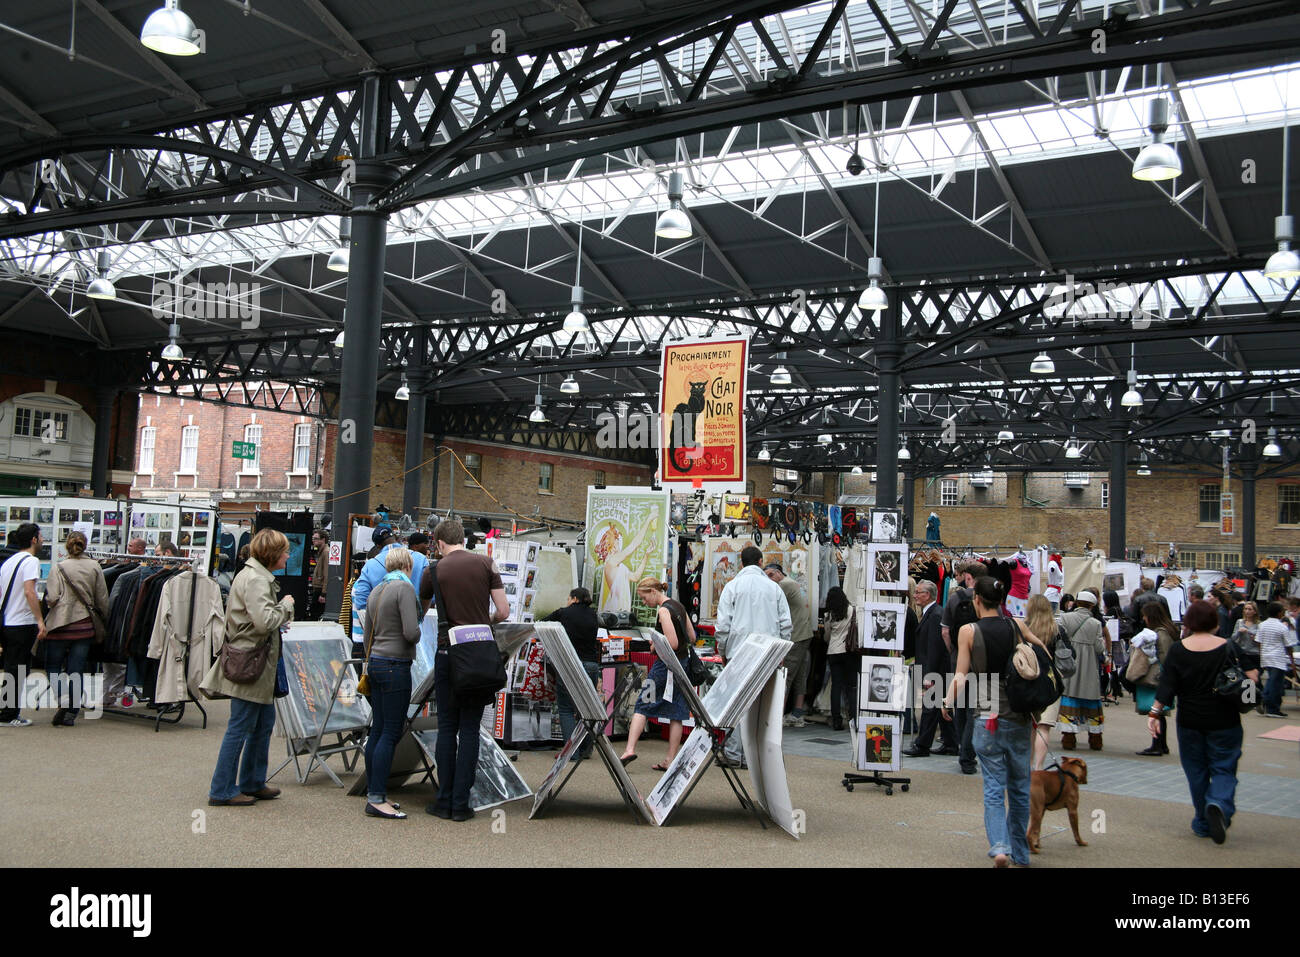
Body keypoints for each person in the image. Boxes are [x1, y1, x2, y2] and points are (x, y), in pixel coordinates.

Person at [942, 577, 1046, 868]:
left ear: (977, 600)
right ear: (1001, 601)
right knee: (1020, 785)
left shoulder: (968, 631)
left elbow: (961, 674)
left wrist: (947, 701)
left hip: (986, 711)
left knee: (992, 786)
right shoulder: (1015, 625)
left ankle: (999, 846)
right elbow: (1040, 646)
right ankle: (1021, 853)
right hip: (1018, 714)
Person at [1149, 600, 1259, 844]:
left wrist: (1154, 713)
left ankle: (1202, 821)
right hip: (1225, 720)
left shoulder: (1178, 649)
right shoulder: (1229, 647)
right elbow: (1252, 675)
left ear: (1188, 622)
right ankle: (1218, 803)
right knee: (1224, 767)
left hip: (1189, 720)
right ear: (1215, 622)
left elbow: (1167, 685)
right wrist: (1248, 699)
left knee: (1196, 772)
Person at [200, 529, 295, 806]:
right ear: (273, 554)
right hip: (251, 661)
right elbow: (265, 622)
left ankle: (253, 781)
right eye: (285, 551)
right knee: (240, 727)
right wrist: (286, 607)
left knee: (262, 724)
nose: (289, 556)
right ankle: (222, 789)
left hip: (254, 660)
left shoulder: (252, 576)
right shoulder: (256, 579)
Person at [424, 520, 509, 822]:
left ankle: (443, 799)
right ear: (463, 538)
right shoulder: (487, 564)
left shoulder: (433, 570)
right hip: (478, 655)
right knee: (471, 728)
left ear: (438, 542)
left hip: (448, 653)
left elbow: (421, 613)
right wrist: (482, 623)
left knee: (447, 727)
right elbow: (503, 611)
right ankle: (462, 803)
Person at [713, 545, 791, 767]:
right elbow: (786, 624)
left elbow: (723, 626)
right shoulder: (774, 588)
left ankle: (734, 753)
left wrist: (723, 651)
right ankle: (758, 757)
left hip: (740, 652)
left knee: (737, 704)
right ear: (760, 562)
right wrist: (781, 652)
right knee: (763, 707)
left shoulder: (732, 587)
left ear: (741, 564)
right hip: (768, 653)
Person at [360, 547, 421, 820]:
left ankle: (374, 790)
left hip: (375, 663)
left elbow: (366, 637)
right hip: (397, 664)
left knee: (378, 729)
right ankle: (376, 798)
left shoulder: (376, 591)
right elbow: (410, 632)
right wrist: (421, 630)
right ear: (408, 566)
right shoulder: (404, 589)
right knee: (390, 732)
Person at [619, 577, 695, 770]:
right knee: (677, 712)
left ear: (654, 591)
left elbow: (672, 643)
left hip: (664, 666)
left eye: (645, 598)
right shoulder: (679, 606)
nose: (645, 603)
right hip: (683, 664)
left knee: (642, 703)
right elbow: (692, 637)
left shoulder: (663, 610)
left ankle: (629, 749)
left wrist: (654, 646)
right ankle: (670, 759)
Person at [42, 530, 109, 727]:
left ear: (67, 545)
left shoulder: (59, 567)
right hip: (84, 625)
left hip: (60, 625)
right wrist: (104, 619)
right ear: (85, 545)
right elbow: (102, 598)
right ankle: (72, 711)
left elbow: (52, 597)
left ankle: (62, 699)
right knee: (76, 669)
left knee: (53, 666)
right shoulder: (95, 566)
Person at [354, 526, 429, 659]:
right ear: (396, 537)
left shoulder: (371, 564)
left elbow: (361, 601)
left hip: (382, 643)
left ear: (377, 545)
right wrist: (418, 618)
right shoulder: (420, 559)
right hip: (416, 639)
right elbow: (430, 596)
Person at [545, 587, 601, 759]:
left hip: (570, 663)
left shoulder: (563, 613)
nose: (567, 601)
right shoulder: (593, 614)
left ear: (574, 598)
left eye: (568, 598)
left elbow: (542, 623)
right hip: (591, 665)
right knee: (585, 708)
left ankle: (571, 752)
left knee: (566, 708)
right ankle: (585, 749)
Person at [940, 561, 985, 774]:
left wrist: (953, 652)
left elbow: (945, 632)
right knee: (973, 710)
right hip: (980, 660)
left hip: (958, 658)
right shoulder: (987, 599)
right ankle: (967, 756)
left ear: (967, 576)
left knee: (960, 706)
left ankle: (962, 750)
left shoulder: (954, 598)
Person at [904, 580, 957, 757]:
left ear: (927, 595)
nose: (915, 595)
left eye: (918, 592)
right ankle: (951, 743)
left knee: (930, 708)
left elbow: (935, 647)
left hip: (935, 670)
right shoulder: (933, 613)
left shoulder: (934, 615)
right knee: (939, 707)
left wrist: (929, 674)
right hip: (934, 669)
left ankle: (922, 745)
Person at [0, 523, 45, 727]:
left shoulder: (10, 562)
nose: (43, 540)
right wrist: (39, 619)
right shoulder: (31, 561)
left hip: (8, 621)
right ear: (34, 539)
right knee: (18, 669)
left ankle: (7, 710)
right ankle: (9, 714)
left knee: (11, 668)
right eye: (41, 536)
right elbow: (30, 591)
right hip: (22, 622)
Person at [1056, 590, 1108, 751]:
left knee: (1069, 695)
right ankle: (1095, 739)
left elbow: (1058, 638)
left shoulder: (1065, 618)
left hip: (1069, 663)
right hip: (1089, 665)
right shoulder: (1095, 624)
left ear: (1077, 603)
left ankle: (1069, 739)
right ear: (1092, 605)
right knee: (1091, 697)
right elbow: (1100, 648)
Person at [765, 563, 813, 727]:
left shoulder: (784, 585)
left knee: (786, 675)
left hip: (796, 635)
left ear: (778, 573)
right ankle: (797, 713)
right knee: (799, 674)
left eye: (770, 575)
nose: (769, 579)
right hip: (804, 633)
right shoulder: (793, 583)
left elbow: (770, 608)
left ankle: (776, 717)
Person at [1134, 601, 1180, 756]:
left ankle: (1157, 745)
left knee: (1156, 711)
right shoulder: (1167, 630)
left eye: (1145, 616)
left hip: (1159, 675)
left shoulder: (1161, 633)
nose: (1144, 619)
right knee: (1159, 711)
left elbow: (1165, 655)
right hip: (1163, 674)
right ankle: (1161, 744)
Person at [1023, 595, 1062, 770]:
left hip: (1029, 677)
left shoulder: (1024, 627)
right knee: (1044, 726)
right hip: (1051, 679)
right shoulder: (1056, 629)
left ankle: (1028, 764)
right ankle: (1039, 766)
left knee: (1031, 725)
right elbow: (1068, 656)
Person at [592, 520, 655, 617]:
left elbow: (635, 577)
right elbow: (634, 545)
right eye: (617, 542)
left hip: (620, 610)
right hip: (615, 611)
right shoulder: (611, 561)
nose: (619, 545)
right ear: (611, 546)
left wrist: (646, 555)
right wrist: (648, 520)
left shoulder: (618, 565)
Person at [821, 586, 856, 731]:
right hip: (848, 651)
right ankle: (853, 718)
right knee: (850, 687)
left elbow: (827, 636)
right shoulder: (852, 610)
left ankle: (836, 720)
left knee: (836, 686)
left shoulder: (828, 615)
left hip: (833, 651)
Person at [1256, 601, 1297, 718]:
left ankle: (1267, 703)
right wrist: (1292, 661)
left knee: (1271, 680)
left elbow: (1259, 642)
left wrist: (1262, 654)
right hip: (1278, 658)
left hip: (1266, 656)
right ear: (1280, 613)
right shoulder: (1282, 627)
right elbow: (1288, 646)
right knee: (1276, 683)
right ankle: (1270, 705)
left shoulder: (1262, 625)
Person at [1231, 601, 1262, 678]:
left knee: (1255, 677)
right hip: (1243, 653)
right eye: (1246, 609)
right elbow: (1233, 638)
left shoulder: (1259, 624)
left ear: (1255, 611)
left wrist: (1252, 635)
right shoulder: (1240, 622)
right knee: (1243, 677)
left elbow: (1260, 640)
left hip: (1254, 654)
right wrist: (1239, 632)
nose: (1247, 611)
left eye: (1250, 609)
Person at [309, 529, 329, 620]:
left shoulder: (326, 552)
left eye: (316, 538)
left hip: (320, 589)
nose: (314, 540)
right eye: (313, 538)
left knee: (315, 613)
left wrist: (323, 593)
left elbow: (327, 573)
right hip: (319, 587)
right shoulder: (322, 552)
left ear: (323, 540)